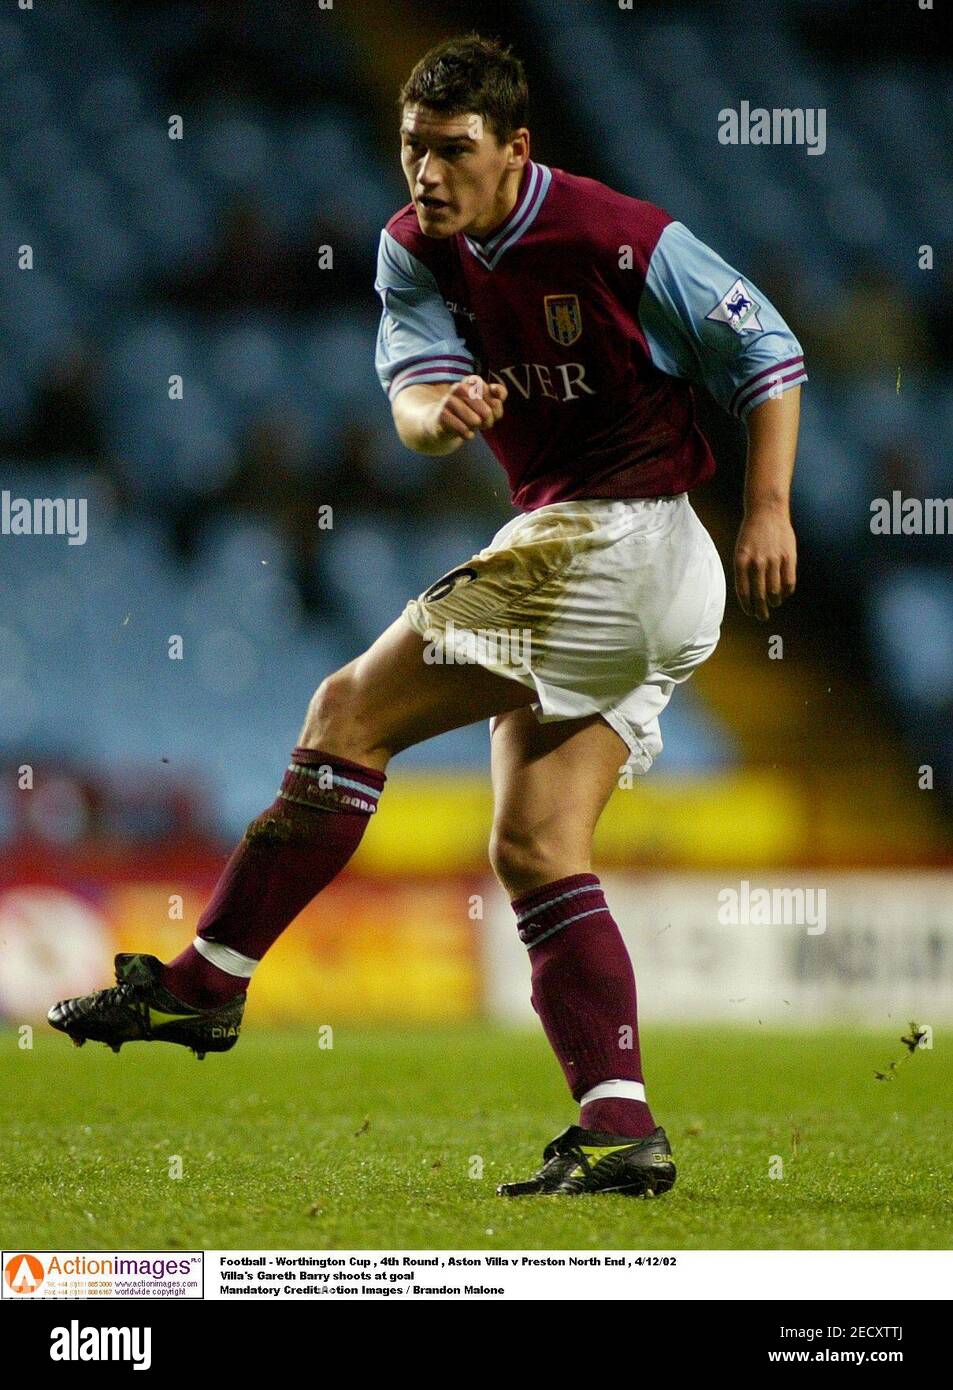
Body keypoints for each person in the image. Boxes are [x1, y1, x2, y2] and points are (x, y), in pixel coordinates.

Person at [49, 33, 806, 1199]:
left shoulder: (614, 233)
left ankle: (208, 983)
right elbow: (407, 399)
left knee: (347, 710)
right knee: (534, 845)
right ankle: (619, 1127)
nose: (426, 174)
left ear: (515, 150)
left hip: (624, 541)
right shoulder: (412, 250)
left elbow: (767, 348)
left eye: (453, 151)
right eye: (412, 148)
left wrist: (765, 510)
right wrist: (441, 415)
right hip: (620, 566)